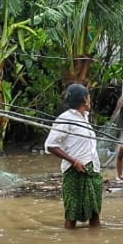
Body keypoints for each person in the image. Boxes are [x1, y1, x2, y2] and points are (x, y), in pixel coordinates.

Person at [44, 83, 102, 229]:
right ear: (84, 99)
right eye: (89, 97)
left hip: (92, 170)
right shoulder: (65, 119)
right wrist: (74, 161)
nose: (90, 100)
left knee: (95, 212)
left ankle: (94, 243)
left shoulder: (85, 118)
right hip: (74, 171)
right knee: (72, 213)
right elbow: (51, 145)